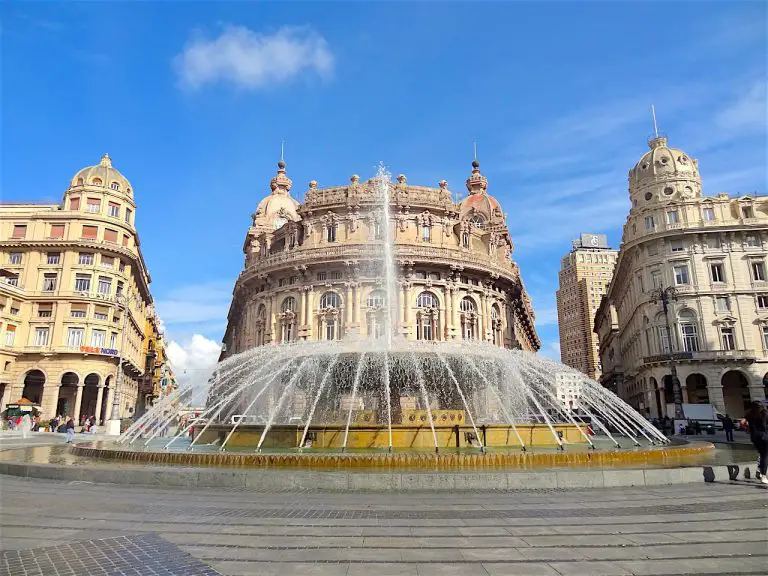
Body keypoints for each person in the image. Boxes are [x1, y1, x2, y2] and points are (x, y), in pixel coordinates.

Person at [742, 401, 768, 485]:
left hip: (754, 437)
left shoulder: (749, 414)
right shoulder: (764, 413)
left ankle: (760, 470)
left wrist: (748, 429)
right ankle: (763, 475)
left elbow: (742, 423)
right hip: (764, 436)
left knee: (762, 454)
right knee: (765, 456)